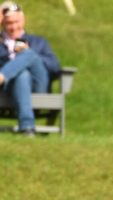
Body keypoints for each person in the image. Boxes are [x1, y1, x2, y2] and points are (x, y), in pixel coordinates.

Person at [0, 2, 61, 136]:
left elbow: (55, 67)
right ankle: (27, 128)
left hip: (38, 85)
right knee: (22, 74)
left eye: (17, 21)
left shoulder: (38, 42)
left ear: (23, 20)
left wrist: (31, 55)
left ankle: (2, 75)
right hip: (9, 89)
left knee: (29, 54)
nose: (14, 27)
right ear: (2, 23)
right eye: (9, 23)